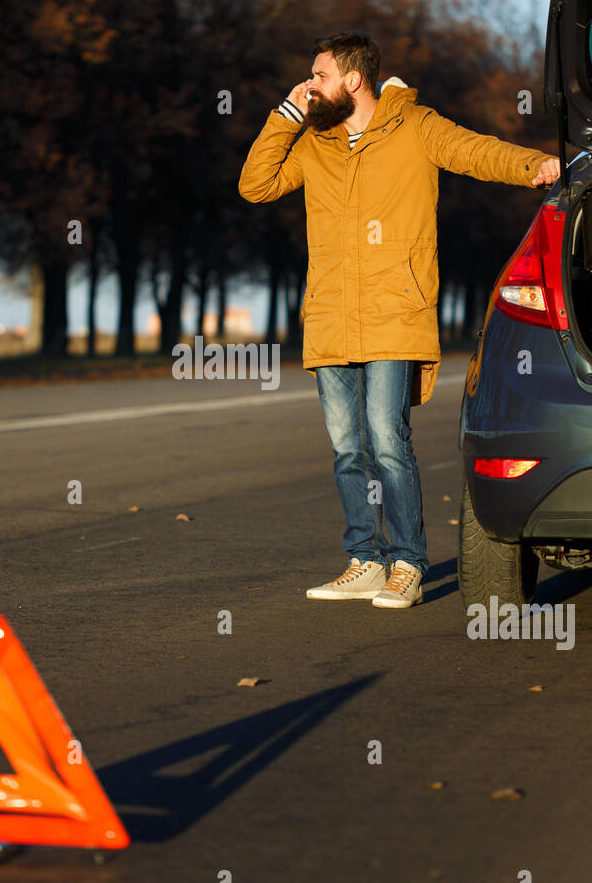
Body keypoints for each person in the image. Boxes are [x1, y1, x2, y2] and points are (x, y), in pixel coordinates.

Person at [238, 31, 560, 609]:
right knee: (347, 447)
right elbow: (255, 185)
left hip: (395, 310)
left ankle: (407, 564)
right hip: (332, 315)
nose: (310, 84)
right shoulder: (316, 143)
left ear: (353, 80)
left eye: (318, 75)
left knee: (388, 440)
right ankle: (364, 558)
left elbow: (476, 151)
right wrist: (287, 115)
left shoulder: (416, 127)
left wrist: (535, 165)